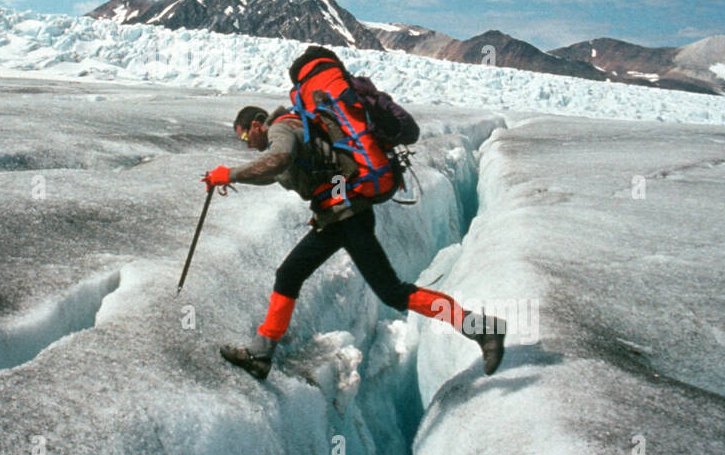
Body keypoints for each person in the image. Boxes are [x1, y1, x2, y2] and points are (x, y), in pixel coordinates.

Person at [203, 101, 505, 380]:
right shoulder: (294, 126)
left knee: (392, 293)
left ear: (258, 124)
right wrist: (234, 177)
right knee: (290, 274)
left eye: (245, 138)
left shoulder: (280, 128)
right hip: (340, 218)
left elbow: (278, 159)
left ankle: (481, 328)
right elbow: (275, 171)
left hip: (346, 218)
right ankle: (261, 353)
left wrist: (228, 174)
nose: (247, 145)